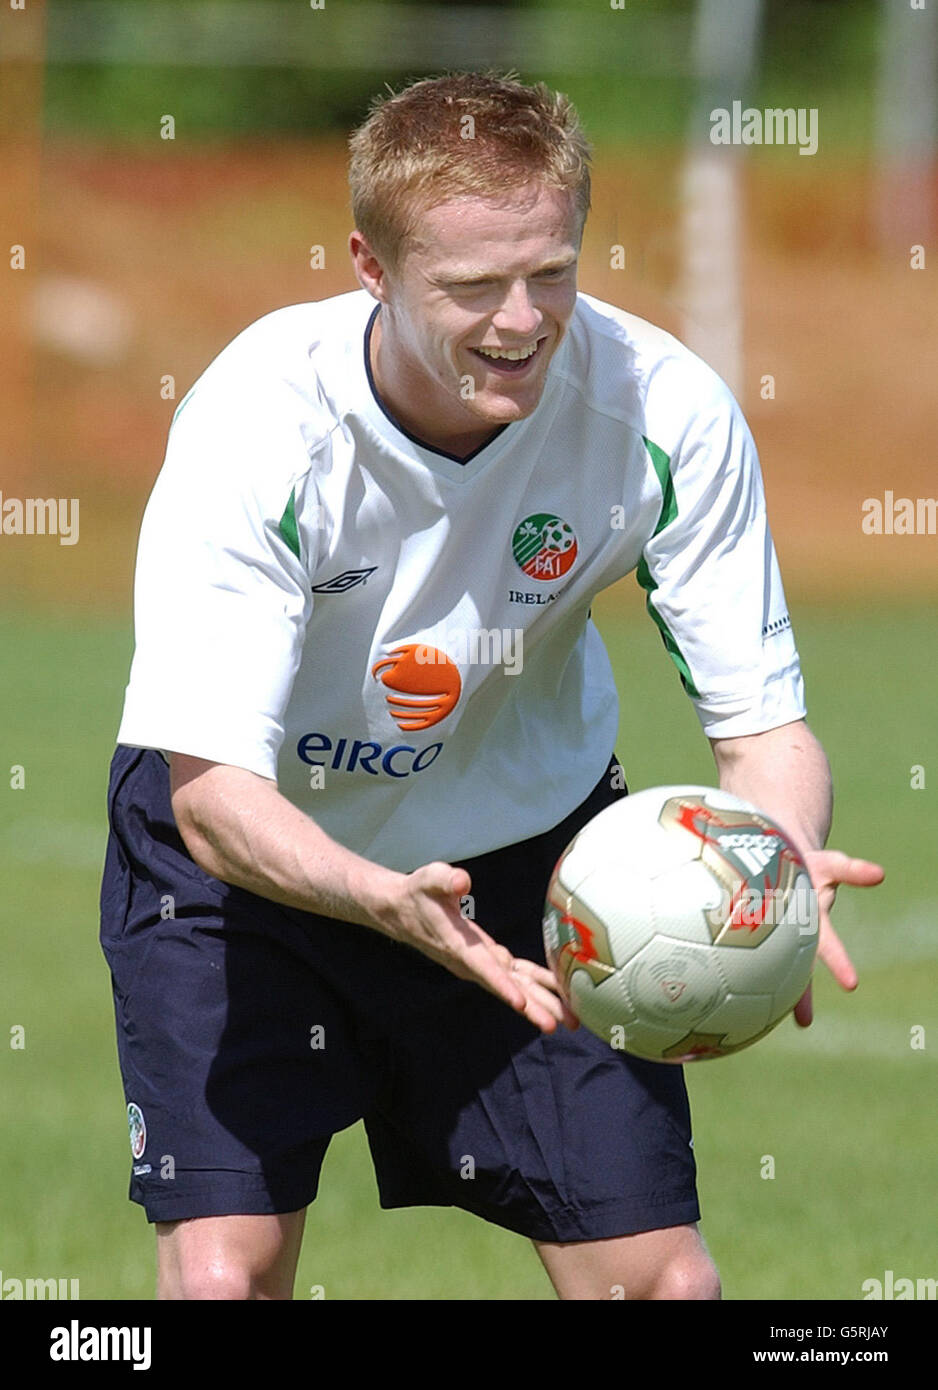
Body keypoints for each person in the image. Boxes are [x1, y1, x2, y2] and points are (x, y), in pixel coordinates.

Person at [99, 71, 883, 1301]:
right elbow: (206, 796)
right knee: (222, 1282)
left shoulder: (661, 410)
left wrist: (777, 858)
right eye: (471, 287)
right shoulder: (255, 423)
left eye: (552, 272)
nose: (521, 320)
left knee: (662, 1284)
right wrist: (375, 897)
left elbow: (763, 727)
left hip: (532, 865)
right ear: (368, 263)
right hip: (245, 870)